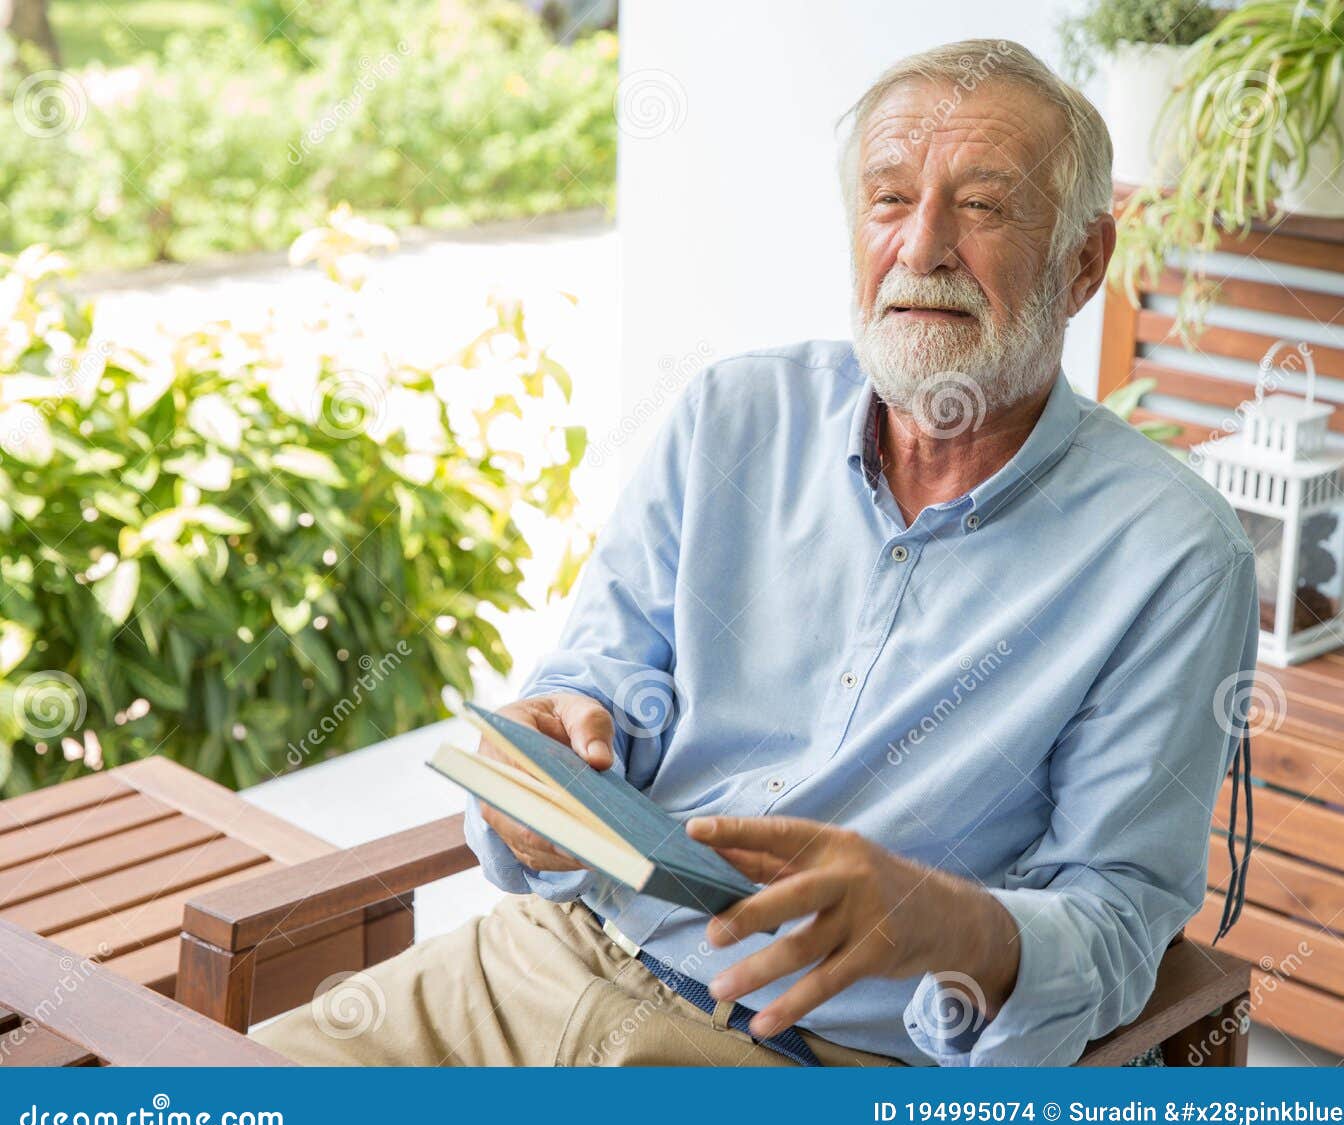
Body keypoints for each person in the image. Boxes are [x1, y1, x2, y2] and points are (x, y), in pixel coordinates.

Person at [257, 38, 1257, 1068]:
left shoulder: (1171, 555)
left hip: (801, 1057)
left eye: (984, 207)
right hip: (546, 956)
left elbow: (1120, 920)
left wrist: (949, 923)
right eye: (887, 199)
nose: (921, 248)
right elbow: (593, 683)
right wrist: (552, 757)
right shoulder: (732, 415)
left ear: (1083, 260)